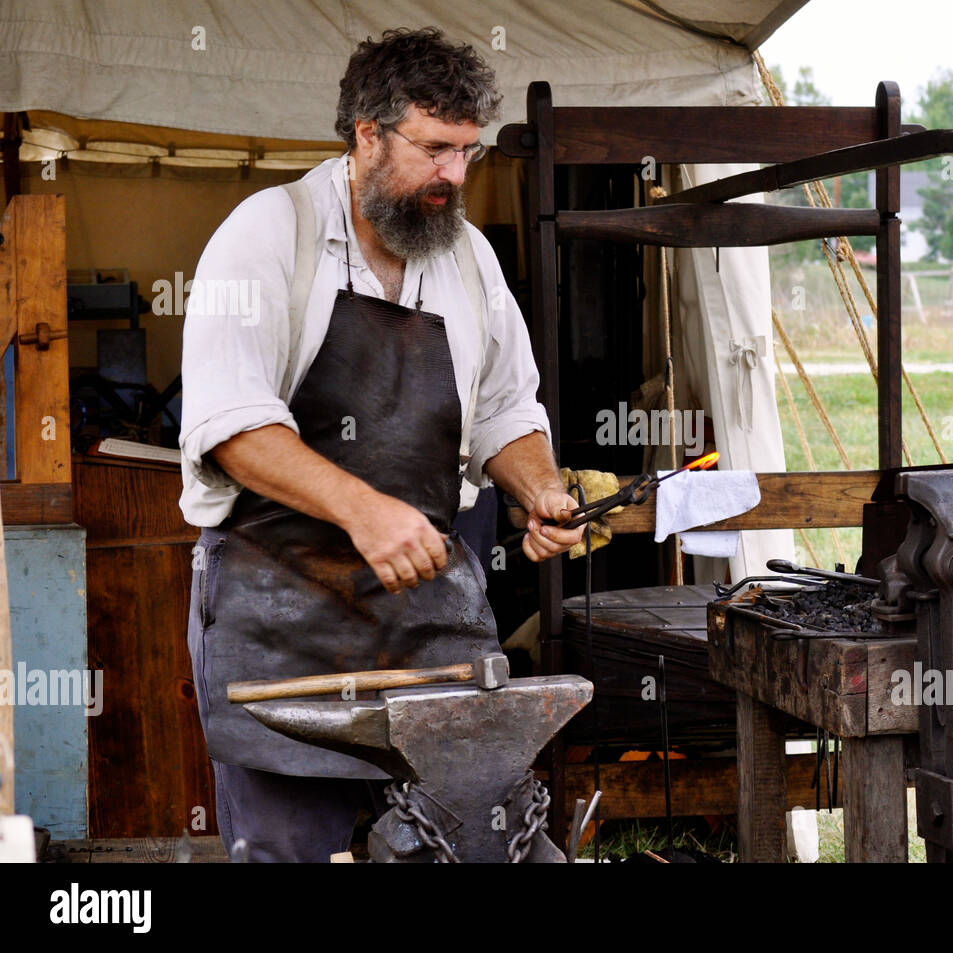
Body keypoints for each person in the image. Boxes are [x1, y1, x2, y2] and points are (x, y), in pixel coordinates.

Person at [178, 27, 583, 862]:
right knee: (288, 848)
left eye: (467, 152)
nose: (455, 176)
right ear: (367, 135)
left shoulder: (467, 257)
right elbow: (230, 424)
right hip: (278, 606)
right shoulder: (268, 236)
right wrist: (363, 510)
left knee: (478, 840)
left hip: (429, 610)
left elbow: (507, 408)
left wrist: (538, 488)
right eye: (435, 149)